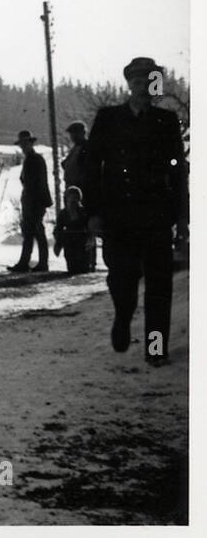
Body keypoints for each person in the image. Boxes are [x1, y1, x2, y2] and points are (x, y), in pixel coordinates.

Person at [84, 56, 187, 365]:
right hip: (118, 217)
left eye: (150, 81)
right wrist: (93, 212)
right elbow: (92, 168)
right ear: (129, 84)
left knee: (159, 288)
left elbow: (179, 172)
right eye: (138, 82)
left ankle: (155, 349)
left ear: (156, 85)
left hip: (156, 218)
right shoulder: (108, 118)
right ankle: (123, 316)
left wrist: (182, 218)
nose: (144, 87)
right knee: (122, 279)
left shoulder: (166, 122)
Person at [8, 129, 52, 272]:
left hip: (35, 202)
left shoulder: (35, 159)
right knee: (32, 232)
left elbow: (39, 183)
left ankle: (35, 263)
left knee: (36, 232)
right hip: (30, 201)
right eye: (21, 144)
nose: (22, 147)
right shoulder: (30, 159)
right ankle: (28, 262)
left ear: (30, 143)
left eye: (25, 143)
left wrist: (39, 203)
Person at [53, 186, 92, 274]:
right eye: (71, 197)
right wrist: (58, 243)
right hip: (69, 241)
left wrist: (90, 238)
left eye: (75, 198)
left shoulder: (83, 212)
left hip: (82, 240)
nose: (73, 200)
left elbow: (89, 228)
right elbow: (58, 228)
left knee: (83, 269)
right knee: (72, 268)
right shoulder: (63, 213)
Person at [61, 120, 88, 191]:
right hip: (71, 187)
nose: (72, 136)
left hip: (80, 187)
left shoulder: (86, 147)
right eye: (71, 134)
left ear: (82, 133)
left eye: (75, 133)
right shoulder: (75, 148)